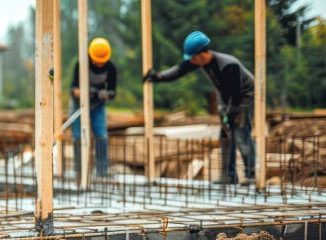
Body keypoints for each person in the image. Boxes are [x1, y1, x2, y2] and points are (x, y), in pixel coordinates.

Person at [144, 31, 255, 185]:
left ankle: (251, 175)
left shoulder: (229, 66)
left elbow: (235, 95)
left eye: (193, 58)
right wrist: (158, 76)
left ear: (201, 54)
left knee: (241, 134)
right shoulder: (200, 61)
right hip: (225, 98)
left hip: (244, 97)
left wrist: (231, 113)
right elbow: (180, 70)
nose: (192, 61)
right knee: (225, 136)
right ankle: (229, 176)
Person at [70, 37, 117, 178]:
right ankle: (79, 169)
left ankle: (102, 170)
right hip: (79, 105)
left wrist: (106, 94)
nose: (99, 63)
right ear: (90, 55)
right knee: (78, 136)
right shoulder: (82, 64)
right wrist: (83, 93)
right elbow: (73, 89)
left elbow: (113, 92)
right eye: (97, 60)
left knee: (101, 136)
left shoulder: (111, 68)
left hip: (98, 105)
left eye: (101, 61)